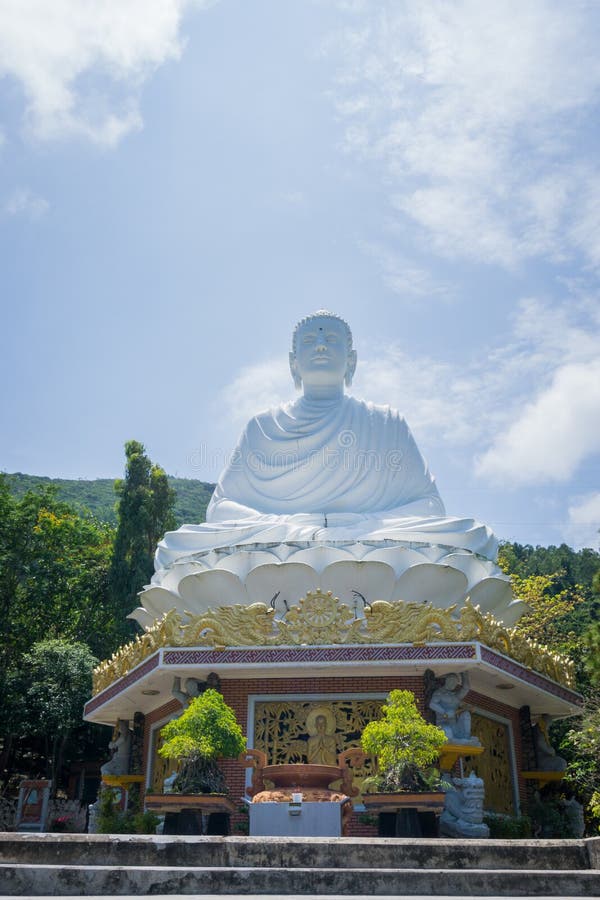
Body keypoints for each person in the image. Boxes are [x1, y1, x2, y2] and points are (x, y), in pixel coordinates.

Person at [156, 310, 496, 571]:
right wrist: (289, 527)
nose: (320, 345)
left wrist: (365, 525)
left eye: (332, 340)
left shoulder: (386, 422)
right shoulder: (262, 426)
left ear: (352, 359)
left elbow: (431, 507)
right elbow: (219, 510)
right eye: (309, 342)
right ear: (293, 362)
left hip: (369, 541)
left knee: (474, 538)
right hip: (285, 542)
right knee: (175, 547)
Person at [429, 672, 480, 745]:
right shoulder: (439, 693)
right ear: (447, 681)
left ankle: (466, 738)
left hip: (454, 725)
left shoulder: (455, 696)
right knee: (447, 733)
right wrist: (444, 712)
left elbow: (466, 688)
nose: (454, 684)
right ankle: (460, 741)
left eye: (456, 682)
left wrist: (464, 673)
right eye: (452, 681)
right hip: (443, 724)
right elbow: (432, 704)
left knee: (466, 714)